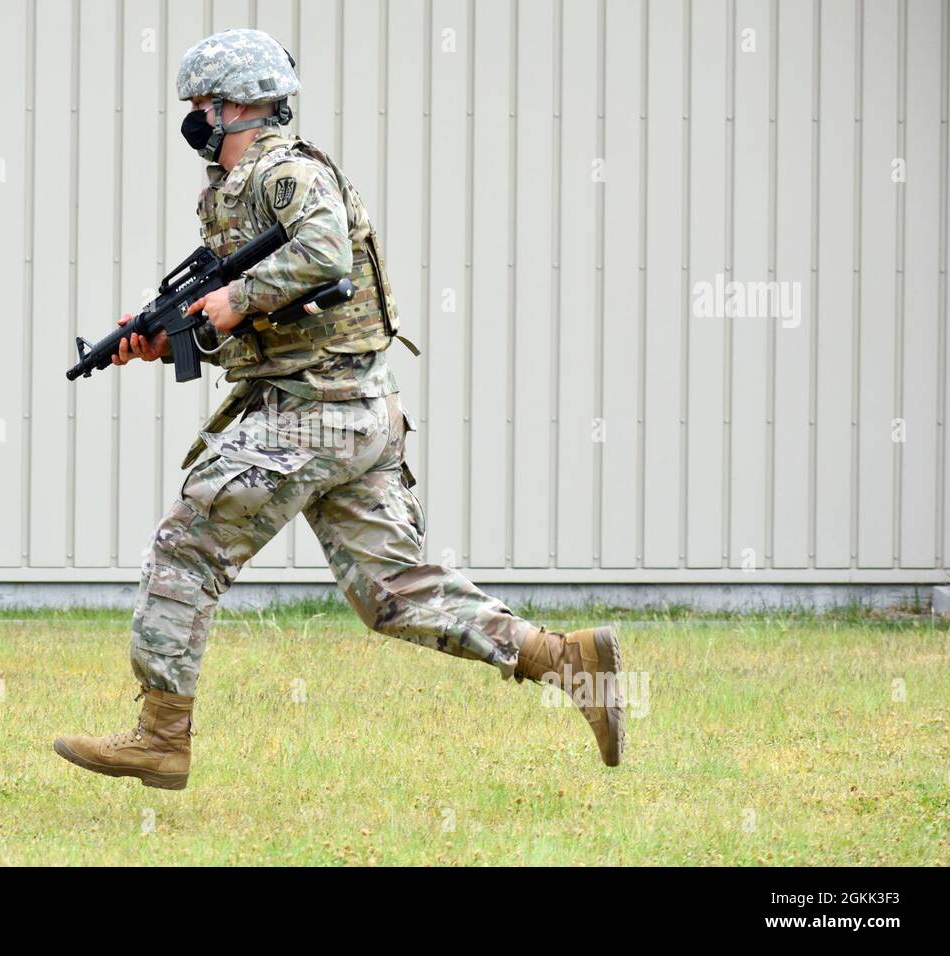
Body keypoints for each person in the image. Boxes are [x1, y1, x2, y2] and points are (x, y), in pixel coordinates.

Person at [54, 28, 625, 790]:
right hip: (352, 411)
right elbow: (275, 329)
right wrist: (172, 341)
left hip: (313, 415)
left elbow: (322, 254)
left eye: (205, 102)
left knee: (188, 545)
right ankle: (570, 660)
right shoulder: (238, 189)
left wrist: (234, 297)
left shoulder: (284, 173)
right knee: (394, 593)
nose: (195, 117)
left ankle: (160, 738)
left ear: (242, 105)